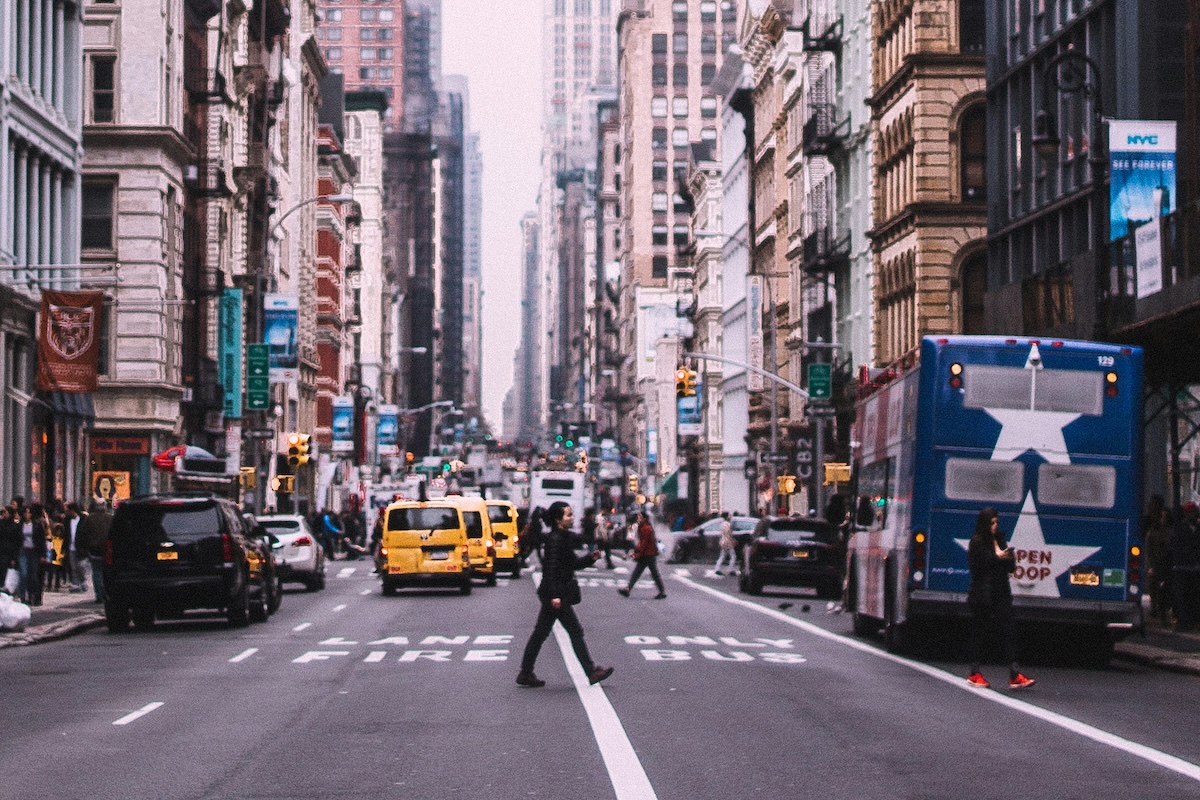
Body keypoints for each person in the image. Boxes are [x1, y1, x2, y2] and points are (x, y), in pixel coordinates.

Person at [516, 501, 614, 688]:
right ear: (558, 520)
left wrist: (590, 559)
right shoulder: (555, 540)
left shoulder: (562, 537)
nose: (572, 518)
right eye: (568, 515)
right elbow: (550, 570)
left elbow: (572, 565)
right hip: (555, 593)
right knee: (574, 631)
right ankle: (591, 671)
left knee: (540, 633)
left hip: (554, 592)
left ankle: (526, 672)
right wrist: (555, 596)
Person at [966, 507, 1035, 689]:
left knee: (1010, 631)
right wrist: (998, 558)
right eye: (992, 523)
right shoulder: (977, 542)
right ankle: (975, 673)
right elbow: (979, 565)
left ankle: (1015, 673)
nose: (995, 526)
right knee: (979, 633)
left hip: (1001, 592)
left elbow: (1011, 565)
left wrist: (1003, 557)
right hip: (982, 594)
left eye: (997, 522)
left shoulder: (1001, 539)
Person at [618, 511, 666, 599]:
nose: (638, 519)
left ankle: (628, 589)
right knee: (650, 573)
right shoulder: (645, 527)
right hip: (649, 553)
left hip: (647, 554)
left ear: (644, 518)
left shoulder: (645, 528)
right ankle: (661, 591)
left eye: (640, 517)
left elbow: (644, 543)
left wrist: (637, 552)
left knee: (640, 572)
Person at [77, 499, 113, 603]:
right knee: (106, 572)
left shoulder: (90, 519)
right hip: (107, 549)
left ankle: (99, 595)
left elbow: (83, 534)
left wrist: (83, 547)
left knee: (96, 571)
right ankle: (105, 592)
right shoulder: (110, 518)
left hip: (94, 549)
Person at [1172, 502, 1200, 631]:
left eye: (1194, 512)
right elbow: (1177, 546)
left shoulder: (1198, 527)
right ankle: (1182, 620)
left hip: (1196, 568)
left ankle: (1193, 620)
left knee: (1195, 594)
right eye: (1189, 512)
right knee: (1183, 594)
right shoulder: (1180, 528)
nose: (1192, 515)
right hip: (1183, 567)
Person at [1145, 502, 1173, 624]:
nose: (1163, 519)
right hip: (1156, 563)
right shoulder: (1153, 532)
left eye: (1166, 517)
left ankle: (1165, 611)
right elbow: (1148, 550)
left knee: (1166, 589)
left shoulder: (1172, 532)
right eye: (1162, 517)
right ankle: (1154, 606)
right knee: (1153, 583)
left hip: (1168, 565)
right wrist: (1151, 566)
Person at [714, 512, 737, 576]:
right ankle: (730, 569)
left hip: (723, 541)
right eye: (729, 515)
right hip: (727, 542)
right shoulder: (727, 524)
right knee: (733, 556)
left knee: (722, 556)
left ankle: (717, 568)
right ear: (726, 516)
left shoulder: (722, 524)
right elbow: (728, 534)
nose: (730, 517)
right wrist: (732, 540)